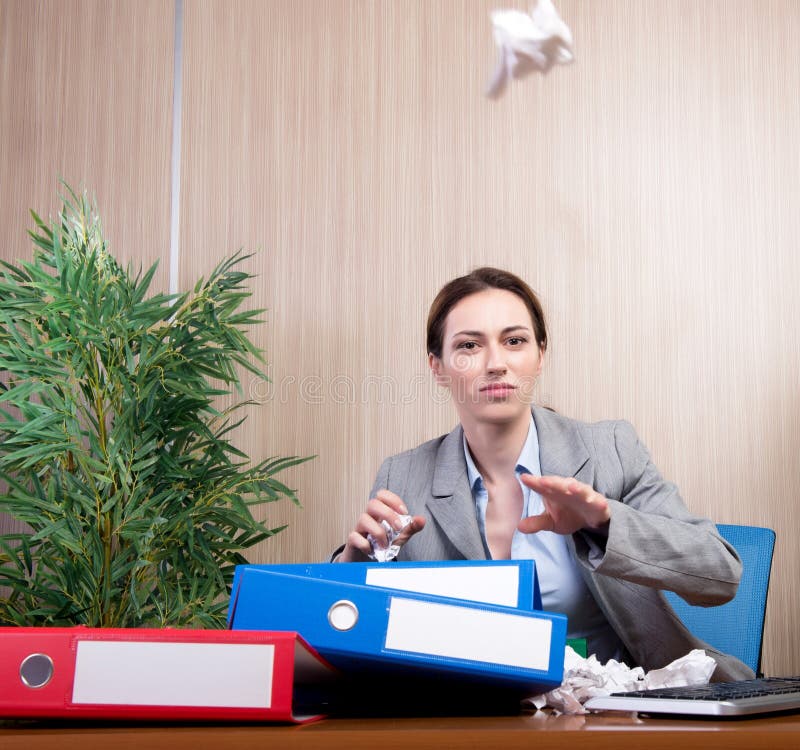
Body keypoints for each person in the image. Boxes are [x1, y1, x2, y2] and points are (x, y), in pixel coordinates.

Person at [333, 267, 752, 681]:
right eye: (469, 346)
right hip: (468, 717)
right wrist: (356, 562)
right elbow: (345, 628)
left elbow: (719, 575)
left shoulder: (610, 451)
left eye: (514, 341)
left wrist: (603, 523)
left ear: (540, 356)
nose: (496, 363)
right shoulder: (404, 475)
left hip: (615, 713)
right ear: (437, 367)